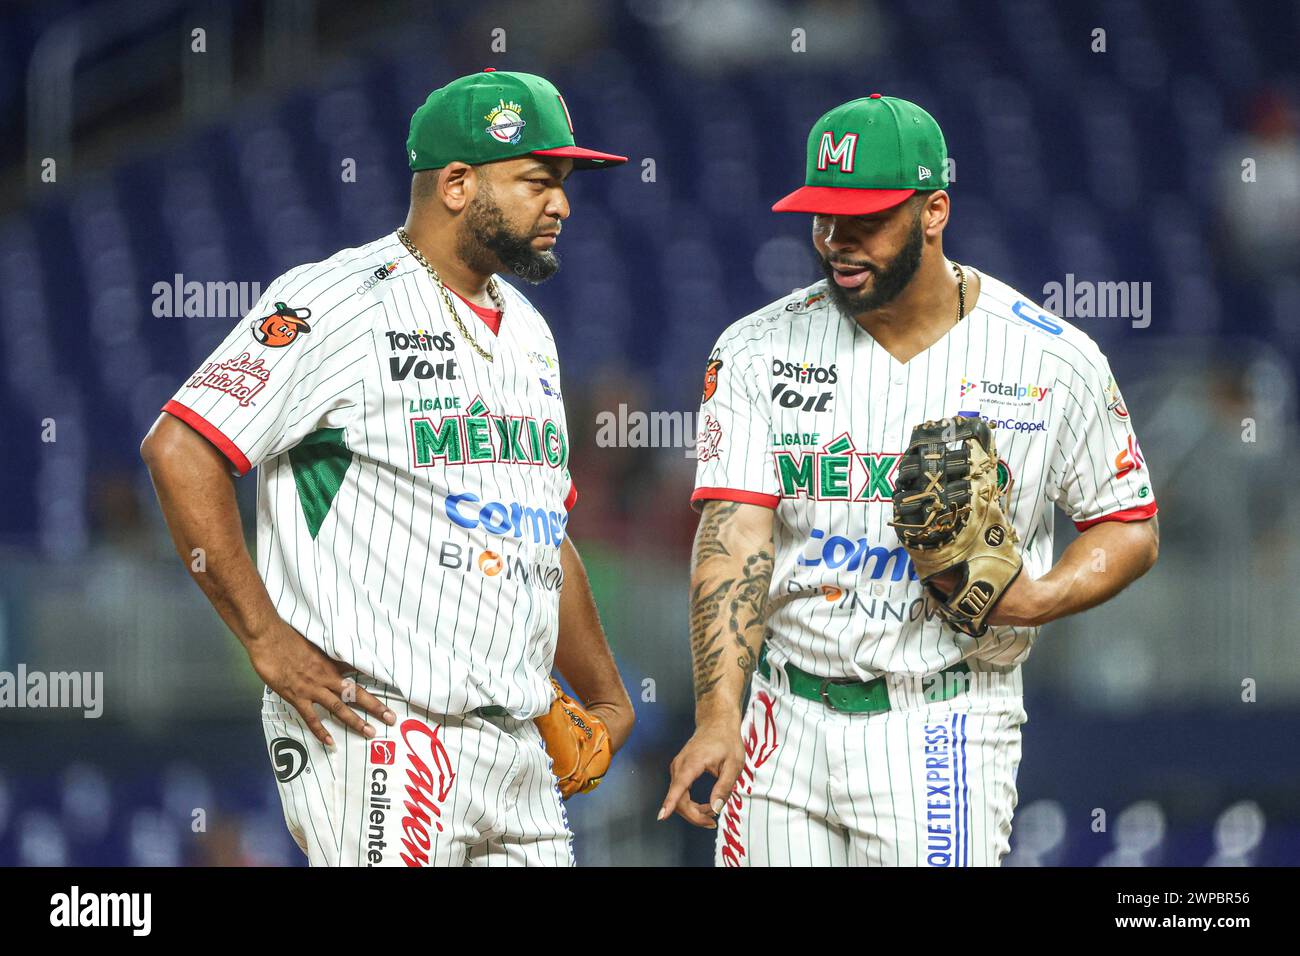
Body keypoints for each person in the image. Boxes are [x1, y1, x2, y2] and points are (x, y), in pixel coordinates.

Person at [141, 69, 634, 866]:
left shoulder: (531, 331)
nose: (562, 206)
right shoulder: (339, 301)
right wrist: (265, 639)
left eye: (564, 185)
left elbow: (543, 529)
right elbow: (180, 447)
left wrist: (606, 692)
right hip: (382, 730)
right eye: (538, 182)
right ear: (457, 183)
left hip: (519, 744)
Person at [660, 93, 1159, 866]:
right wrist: (718, 710)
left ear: (933, 211)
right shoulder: (756, 348)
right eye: (823, 217)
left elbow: (1127, 523)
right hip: (781, 714)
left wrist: (1037, 596)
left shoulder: (1049, 359)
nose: (837, 241)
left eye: (866, 219)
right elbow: (734, 533)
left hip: (944, 718)